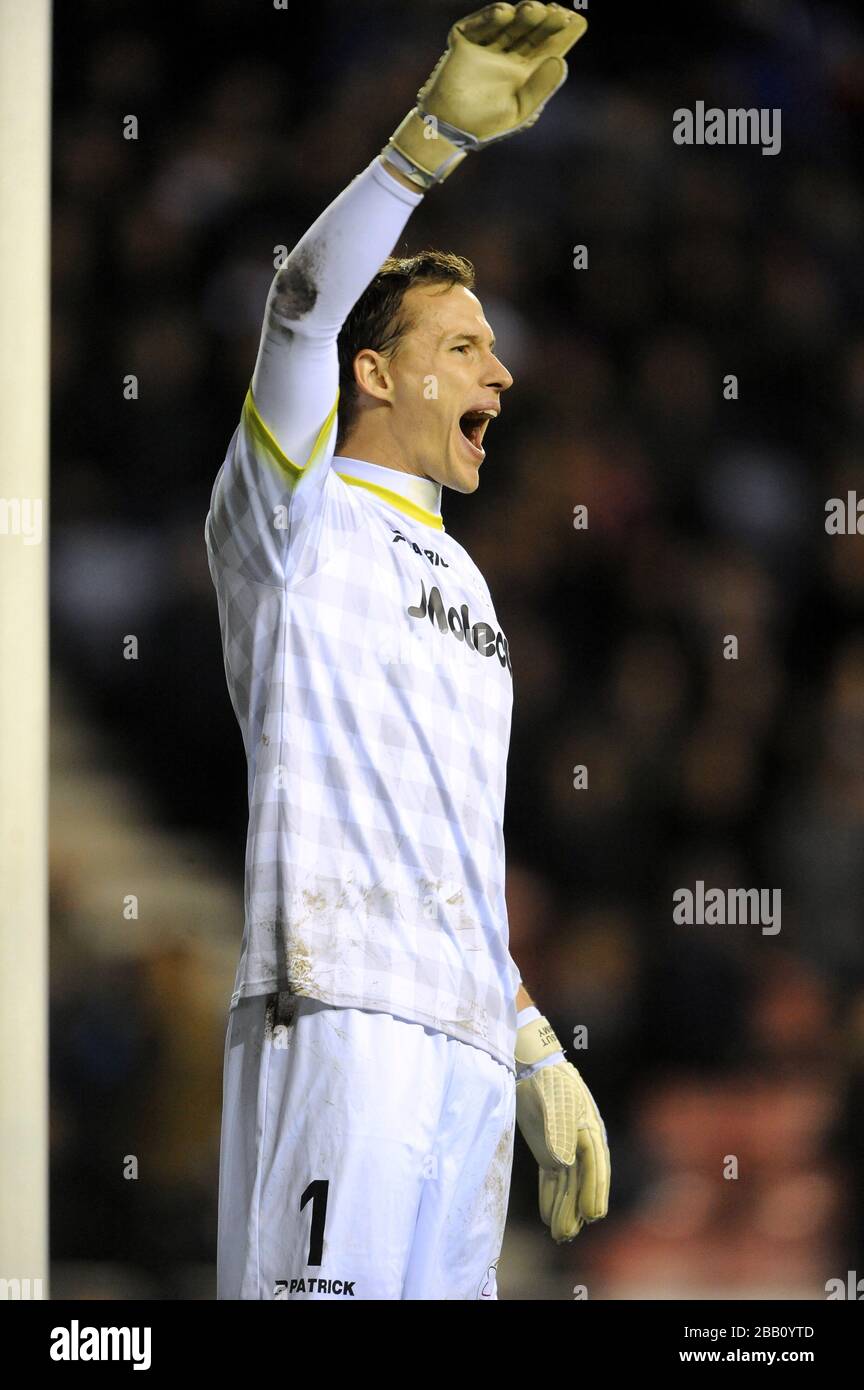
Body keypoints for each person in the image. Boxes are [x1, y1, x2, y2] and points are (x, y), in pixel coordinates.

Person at [206, 1, 609, 1301]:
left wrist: (533, 1042)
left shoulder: (478, 594)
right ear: (376, 375)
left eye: (496, 348)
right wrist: (425, 146)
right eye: (463, 344)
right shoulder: (288, 516)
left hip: (468, 1059)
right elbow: (297, 309)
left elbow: (450, 844)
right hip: (336, 1023)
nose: (499, 368)